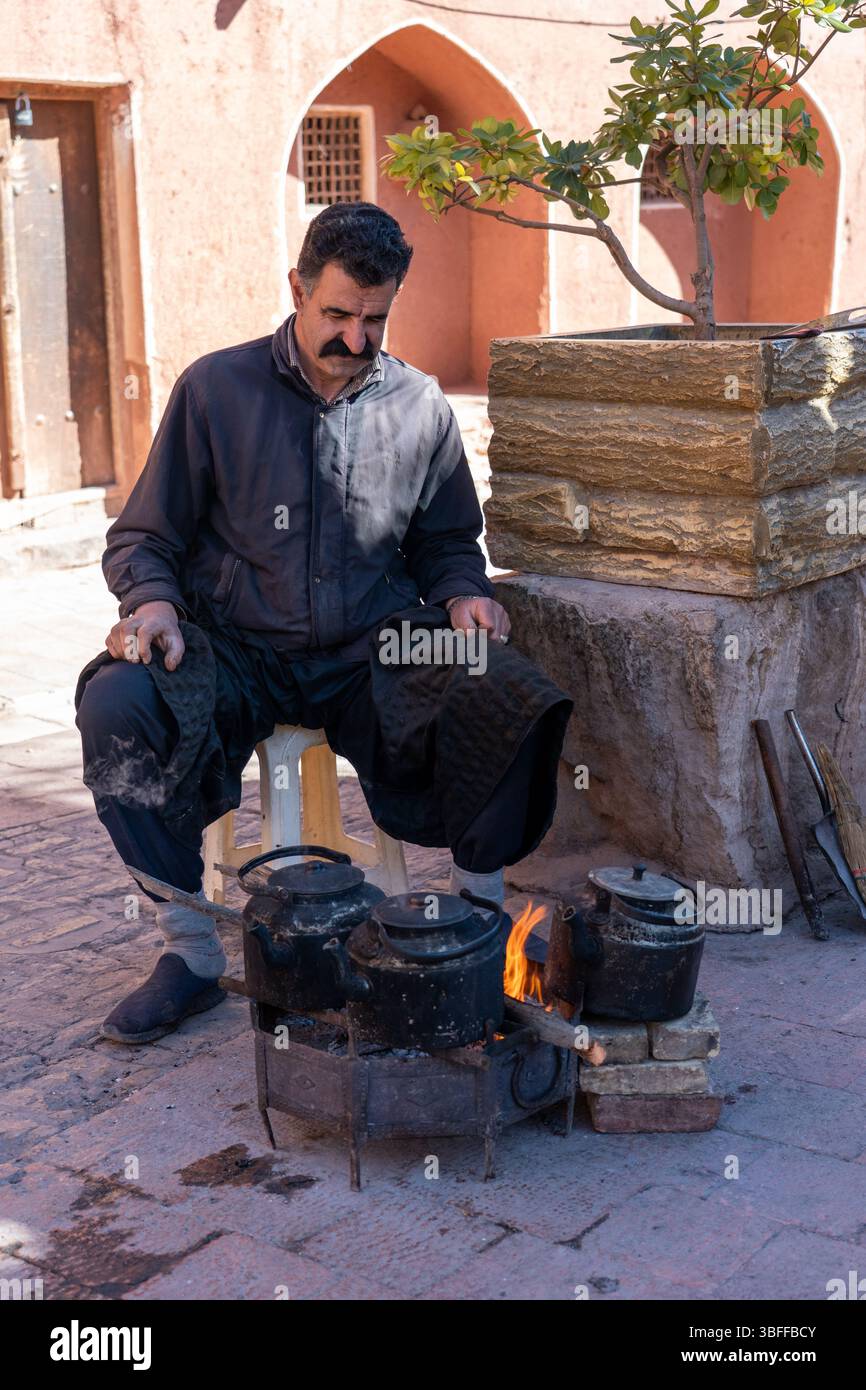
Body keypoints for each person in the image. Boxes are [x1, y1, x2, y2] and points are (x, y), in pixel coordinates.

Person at [75, 201, 573, 1044]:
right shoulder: (215, 389)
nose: (355, 338)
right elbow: (146, 535)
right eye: (337, 315)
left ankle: (480, 926)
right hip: (232, 647)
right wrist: (152, 605)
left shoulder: (421, 407)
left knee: (507, 691)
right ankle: (191, 951)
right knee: (119, 706)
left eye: (374, 319)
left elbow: (448, 541)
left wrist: (464, 595)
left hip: (369, 650)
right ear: (298, 289)